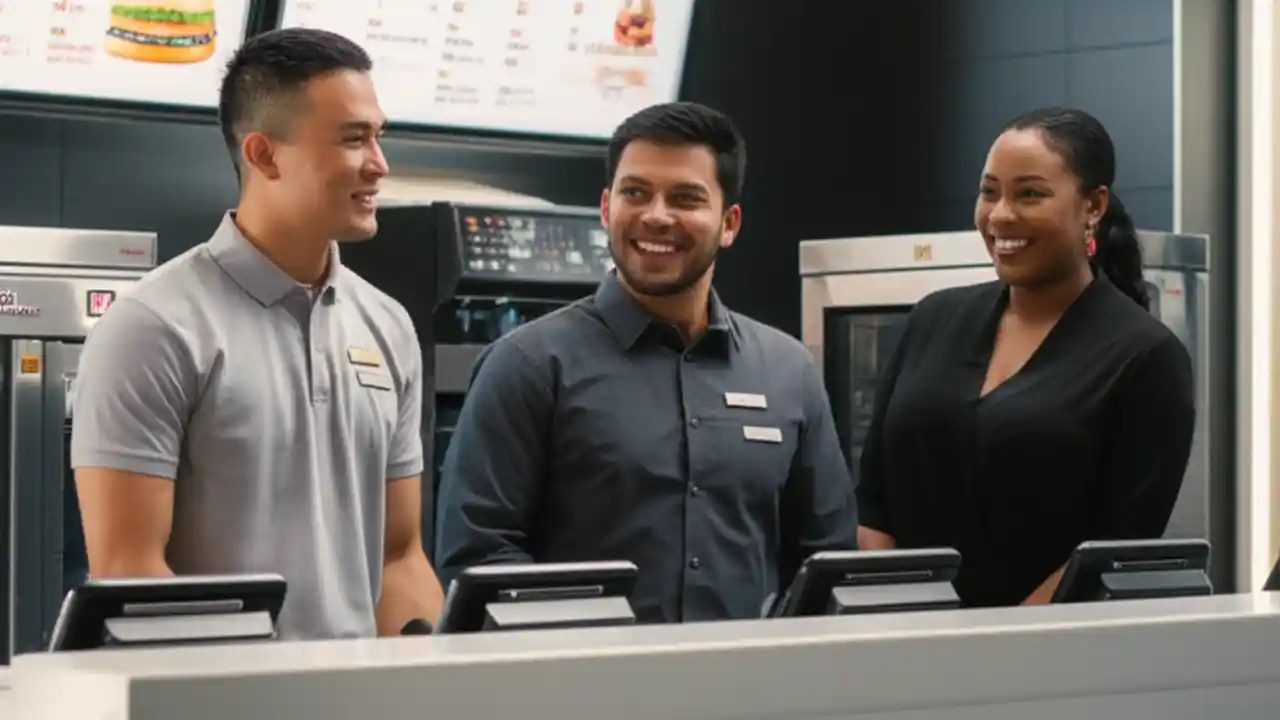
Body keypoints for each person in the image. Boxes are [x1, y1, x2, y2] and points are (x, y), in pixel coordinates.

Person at [70, 28, 444, 640]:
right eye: (354, 139)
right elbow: (130, 571)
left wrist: (431, 681)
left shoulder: (388, 324)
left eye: (379, 136)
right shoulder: (153, 326)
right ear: (264, 155)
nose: (380, 164)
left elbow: (398, 558)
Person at [434, 101, 856, 623]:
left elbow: (827, 563)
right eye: (636, 192)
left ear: (729, 223)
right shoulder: (526, 364)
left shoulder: (788, 371)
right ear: (607, 208)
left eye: (685, 198)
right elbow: (477, 554)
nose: (657, 215)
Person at [856, 106, 1196, 607]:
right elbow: (875, 502)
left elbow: (1113, 548)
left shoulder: (1146, 357)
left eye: (1029, 194)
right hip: (900, 641)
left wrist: (999, 646)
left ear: (1093, 206)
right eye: (989, 191)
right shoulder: (932, 319)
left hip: (1049, 659)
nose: (1000, 215)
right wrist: (896, 614)